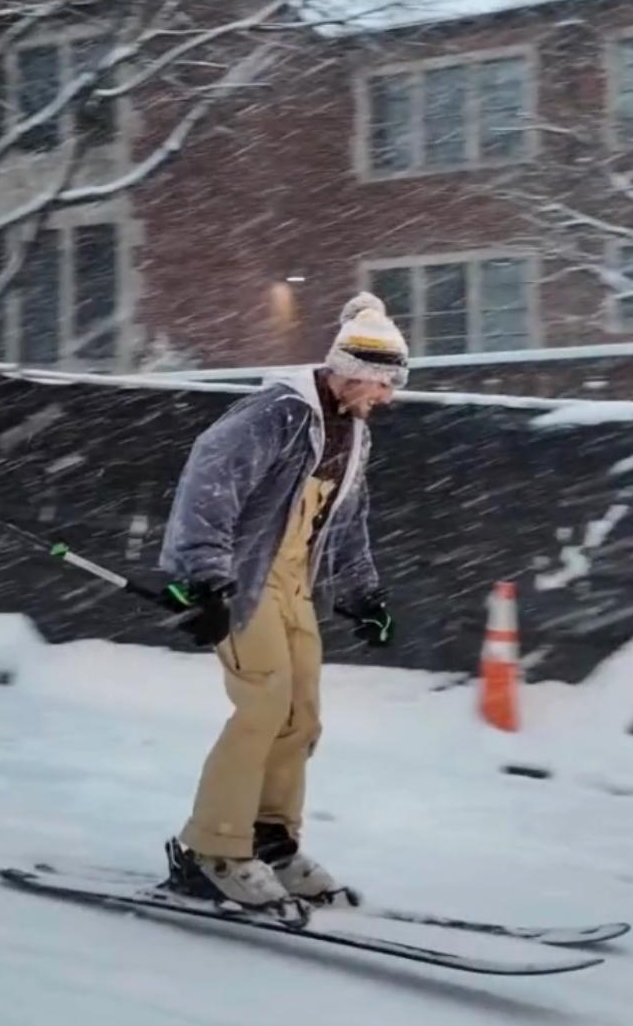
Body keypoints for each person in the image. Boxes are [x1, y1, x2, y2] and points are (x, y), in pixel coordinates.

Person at [157, 291, 406, 911]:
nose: (387, 397)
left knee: (301, 715)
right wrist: (204, 579)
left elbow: (348, 521)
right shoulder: (280, 412)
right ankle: (211, 850)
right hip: (246, 577)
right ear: (353, 371)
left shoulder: (352, 432)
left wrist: (364, 595)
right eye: (382, 384)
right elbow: (210, 480)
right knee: (263, 703)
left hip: (295, 581)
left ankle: (270, 840)